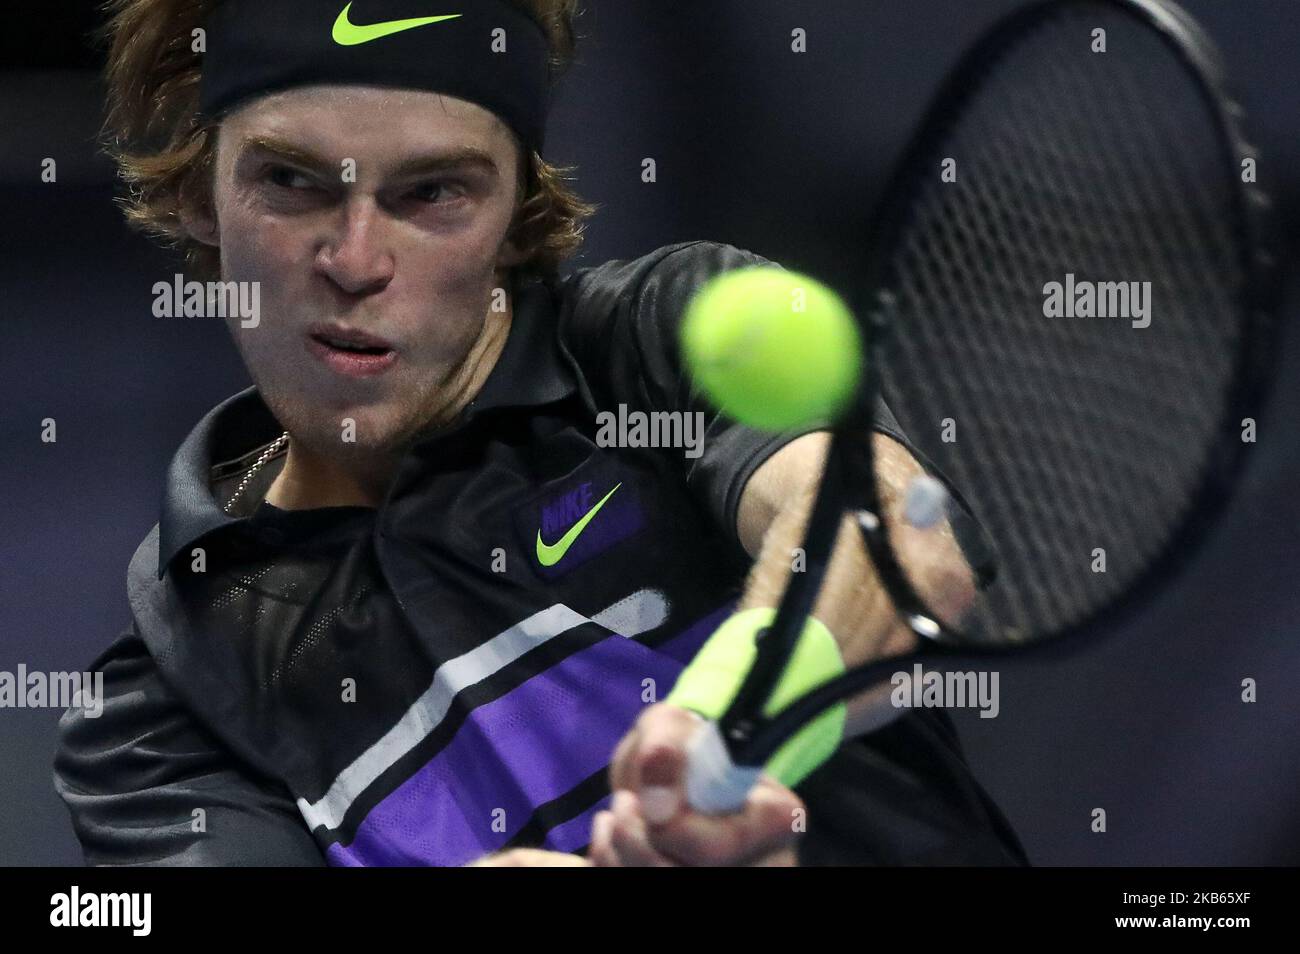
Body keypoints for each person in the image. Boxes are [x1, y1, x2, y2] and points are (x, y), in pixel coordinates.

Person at [54, 0, 1027, 866]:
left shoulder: (666, 334)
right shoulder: (162, 701)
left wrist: (726, 728)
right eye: (292, 181)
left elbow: (892, 539)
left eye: (432, 193)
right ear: (197, 192)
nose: (355, 260)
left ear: (517, 216)